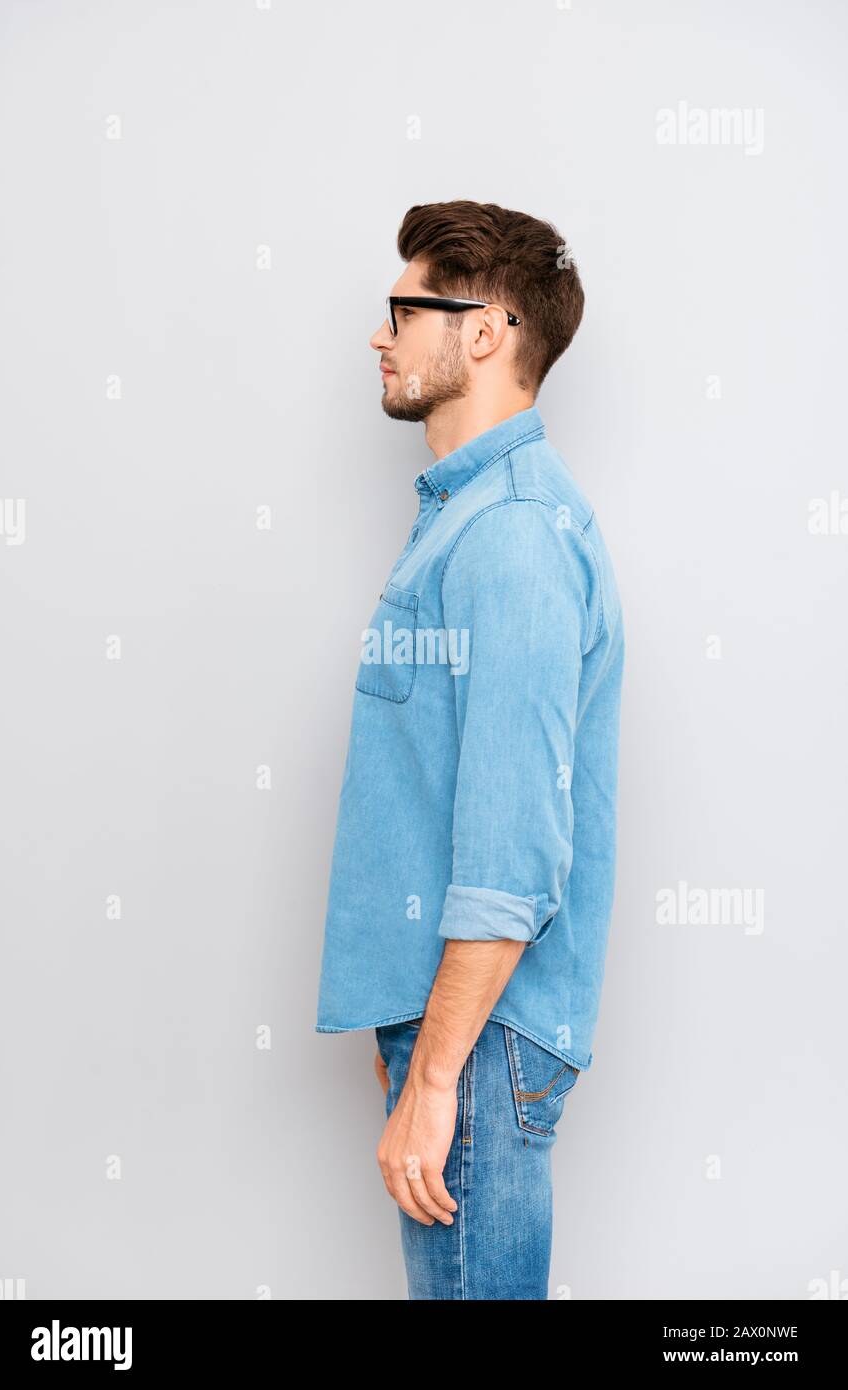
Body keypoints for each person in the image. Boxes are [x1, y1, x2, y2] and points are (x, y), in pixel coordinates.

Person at [315, 200, 624, 1300]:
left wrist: (438, 1071)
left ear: (483, 330)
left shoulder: (508, 538)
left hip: (481, 1044)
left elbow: (508, 857)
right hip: (462, 1035)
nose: (380, 336)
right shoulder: (467, 518)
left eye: (403, 309)